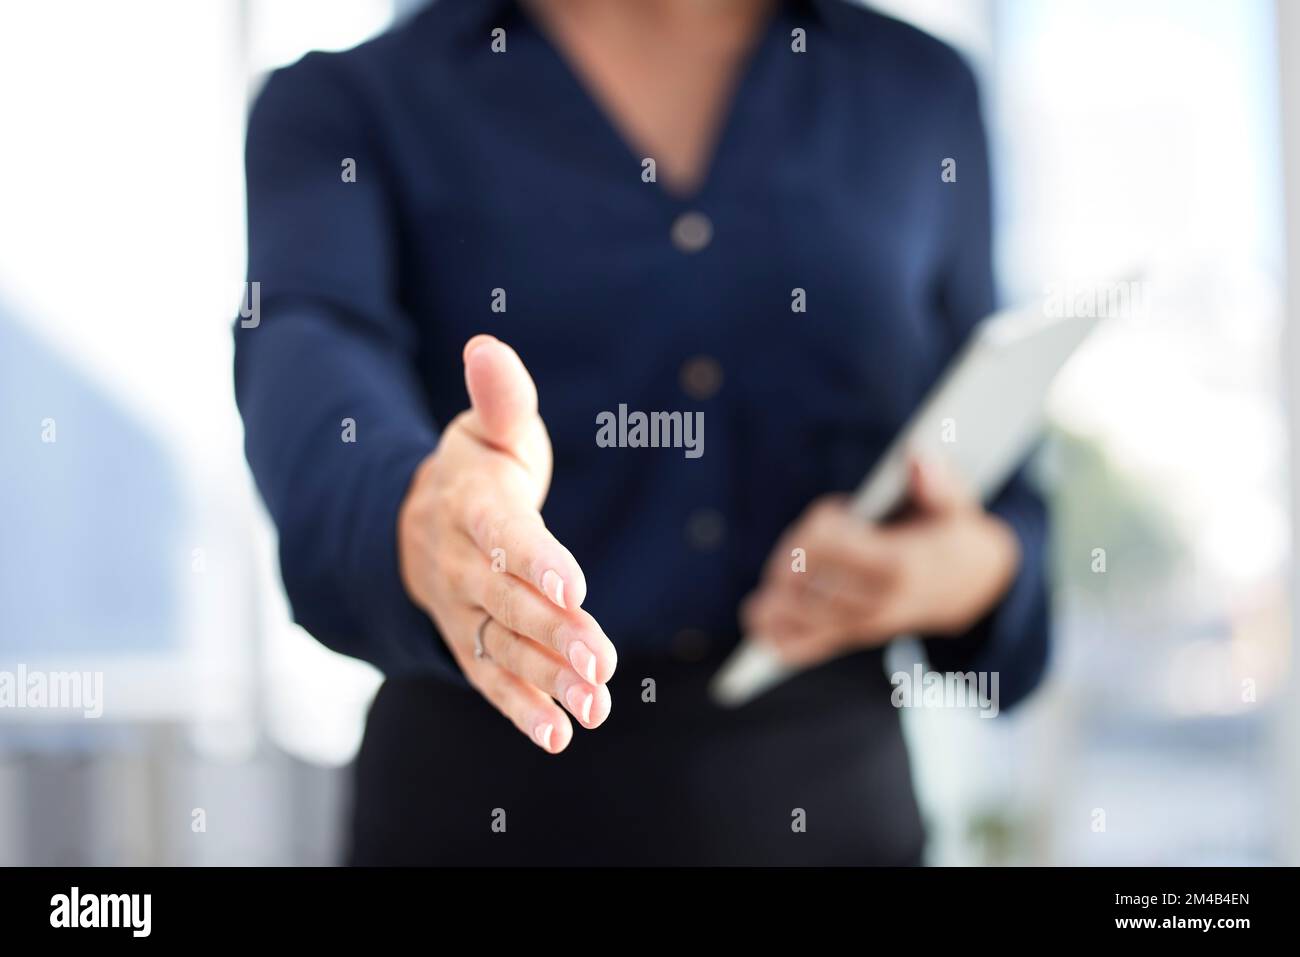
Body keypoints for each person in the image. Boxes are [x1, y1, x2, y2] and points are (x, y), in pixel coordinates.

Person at [235, 0, 1049, 865]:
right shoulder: (346, 104)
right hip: (482, 810)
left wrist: (955, 569)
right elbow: (309, 351)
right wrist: (419, 516)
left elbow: (1004, 494)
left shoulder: (922, 93)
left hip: (829, 807)